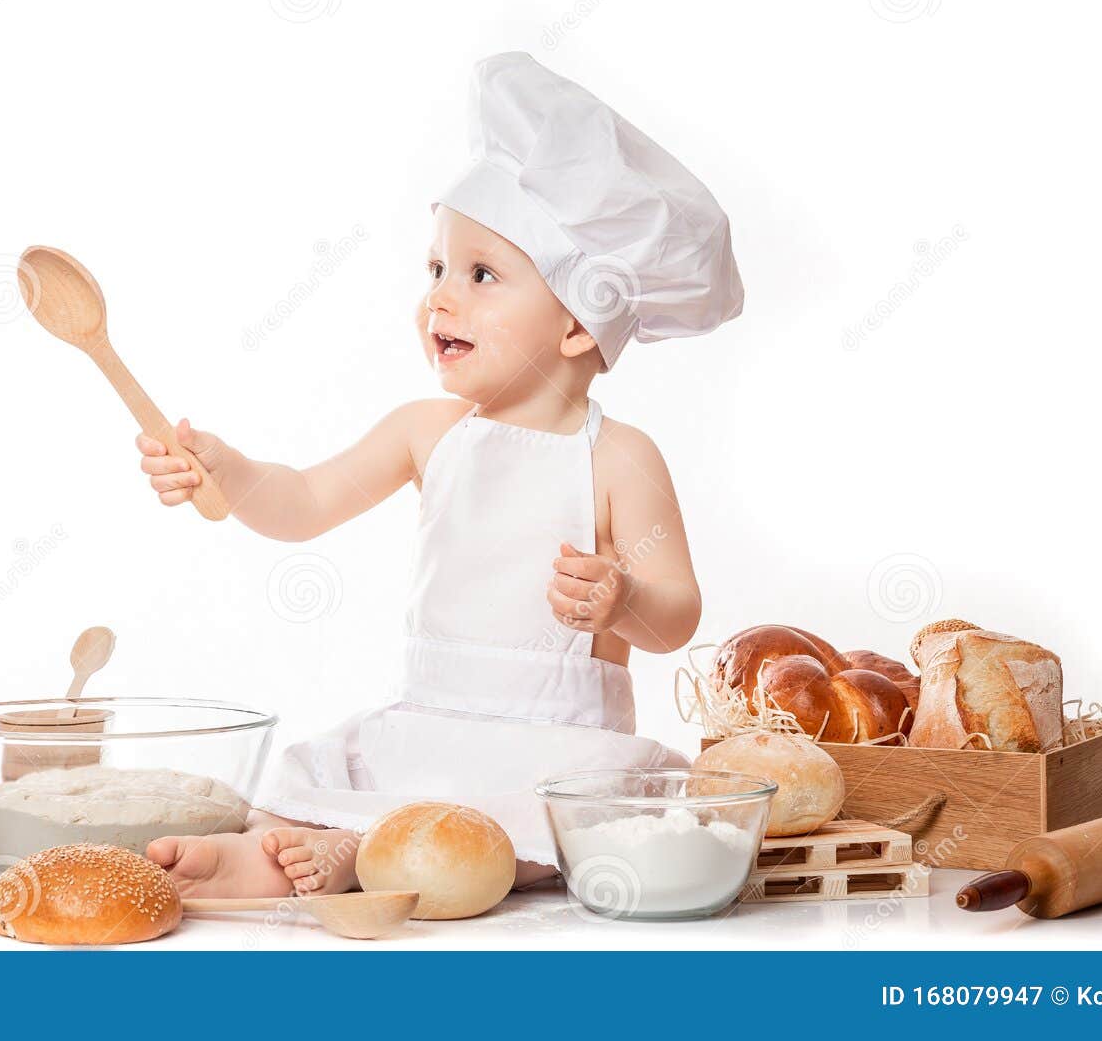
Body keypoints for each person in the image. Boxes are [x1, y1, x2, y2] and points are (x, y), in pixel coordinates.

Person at [139, 52, 743, 897]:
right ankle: (274, 853)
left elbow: (677, 614)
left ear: (577, 324)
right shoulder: (429, 432)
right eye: (435, 270)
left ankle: (363, 854)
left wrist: (622, 597)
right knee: (328, 776)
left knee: (535, 833)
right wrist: (228, 470)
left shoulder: (617, 456)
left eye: (480, 274)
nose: (439, 300)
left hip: (558, 745)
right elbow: (304, 502)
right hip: (426, 724)